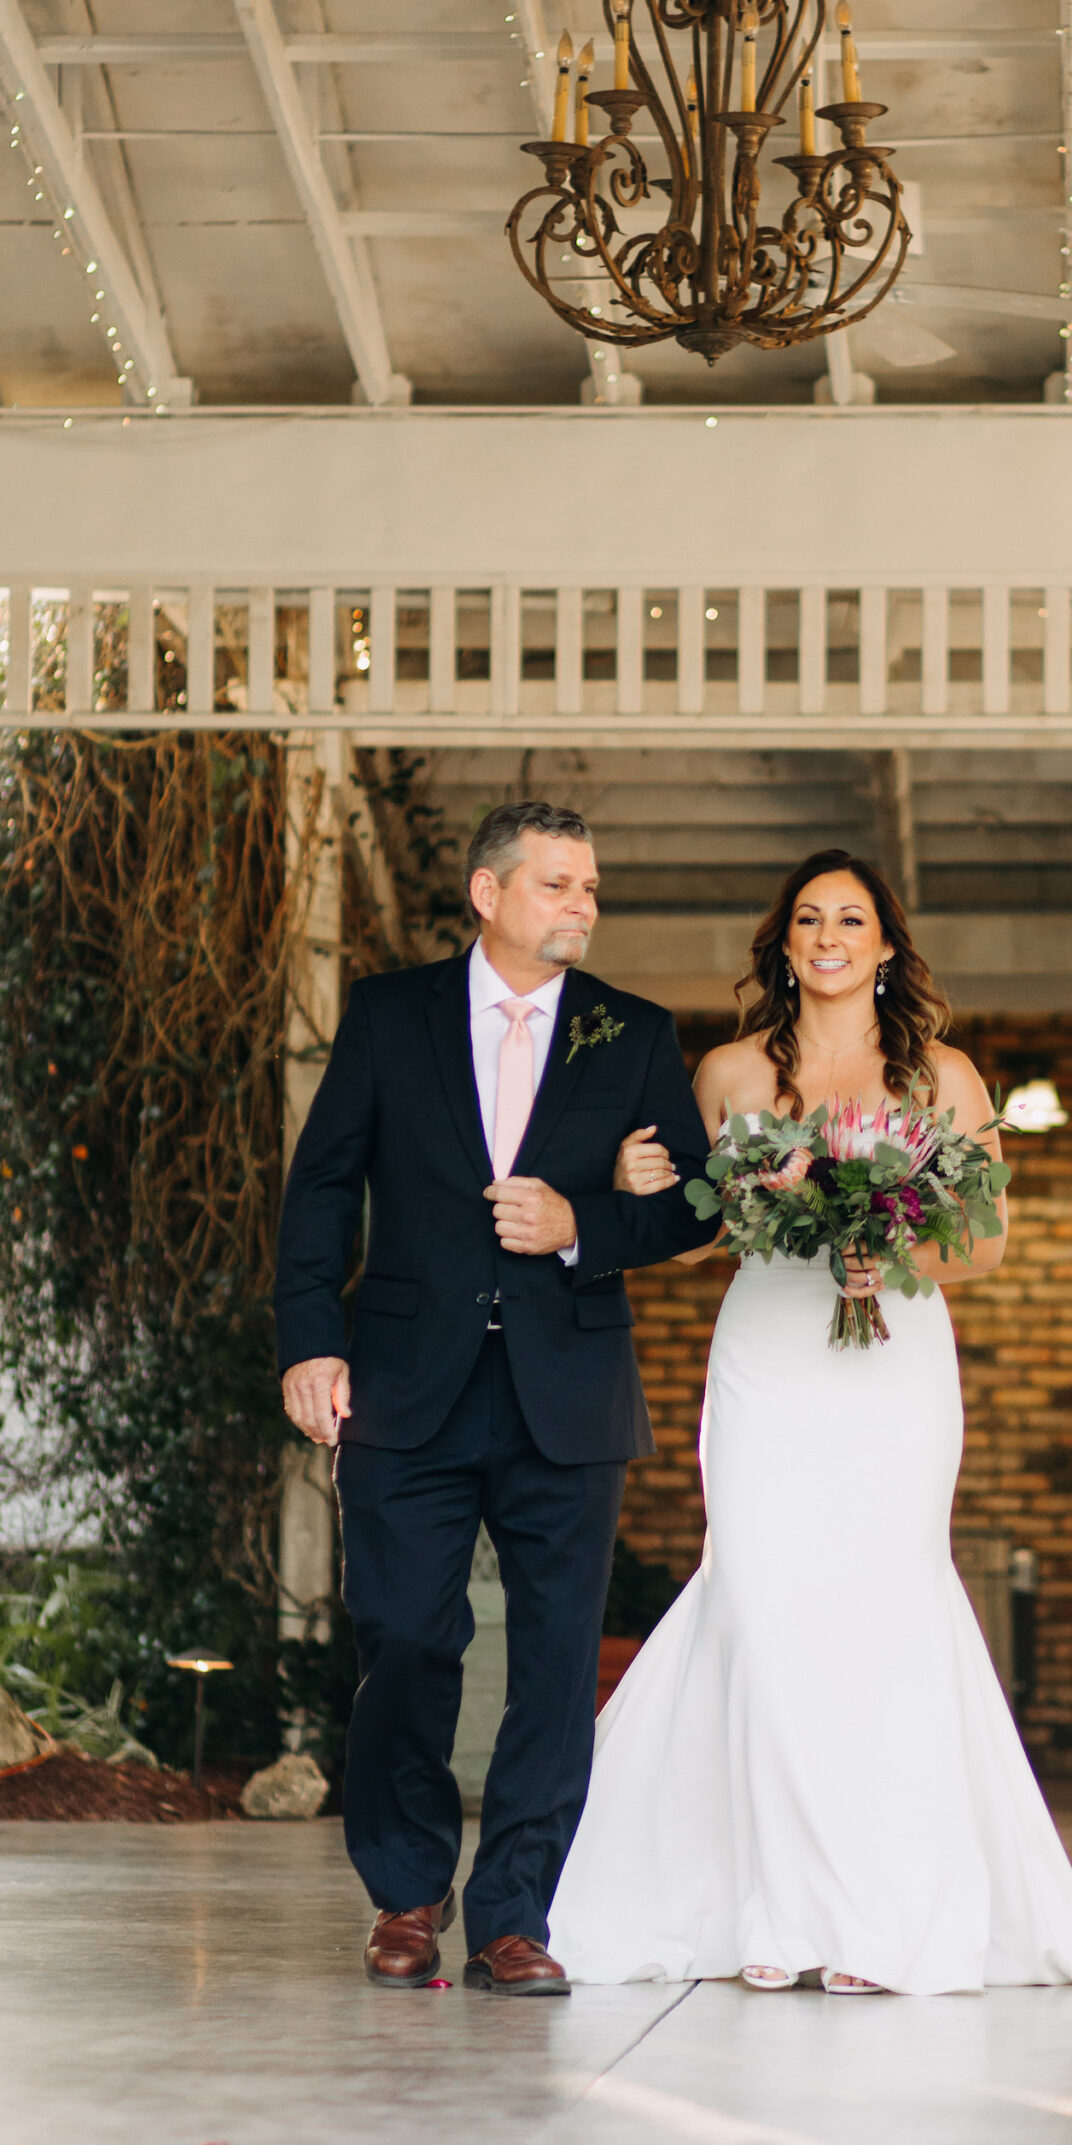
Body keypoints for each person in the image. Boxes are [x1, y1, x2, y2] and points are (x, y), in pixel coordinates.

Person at [547, 849, 1072, 1997]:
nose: (830, 934)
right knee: (758, 1597)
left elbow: (986, 1243)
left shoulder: (944, 1075)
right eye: (810, 918)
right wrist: (640, 1190)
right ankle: (771, 1904)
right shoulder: (730, 1072)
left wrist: (885, 1246)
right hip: (768, 1360)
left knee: (883, 1611)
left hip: (894, 1361)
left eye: (852, 917)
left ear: (887, 944)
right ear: (785, 942)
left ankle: (877, 1914)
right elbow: (703, 1230)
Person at [274, 801, 708, 1996]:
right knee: (408, 1636)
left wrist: (586, 1225)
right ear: (489, 891)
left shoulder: (633, 1031)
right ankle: (408, 1892)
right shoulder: (387, 1014)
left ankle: (516, 1912)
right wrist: (309, 1343)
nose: (582, 905)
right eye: (559, 884)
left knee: (558, 1663)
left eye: (591, 888)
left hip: (565, 1393)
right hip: (407, 1387)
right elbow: (321, 1192)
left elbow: (697, 1202)